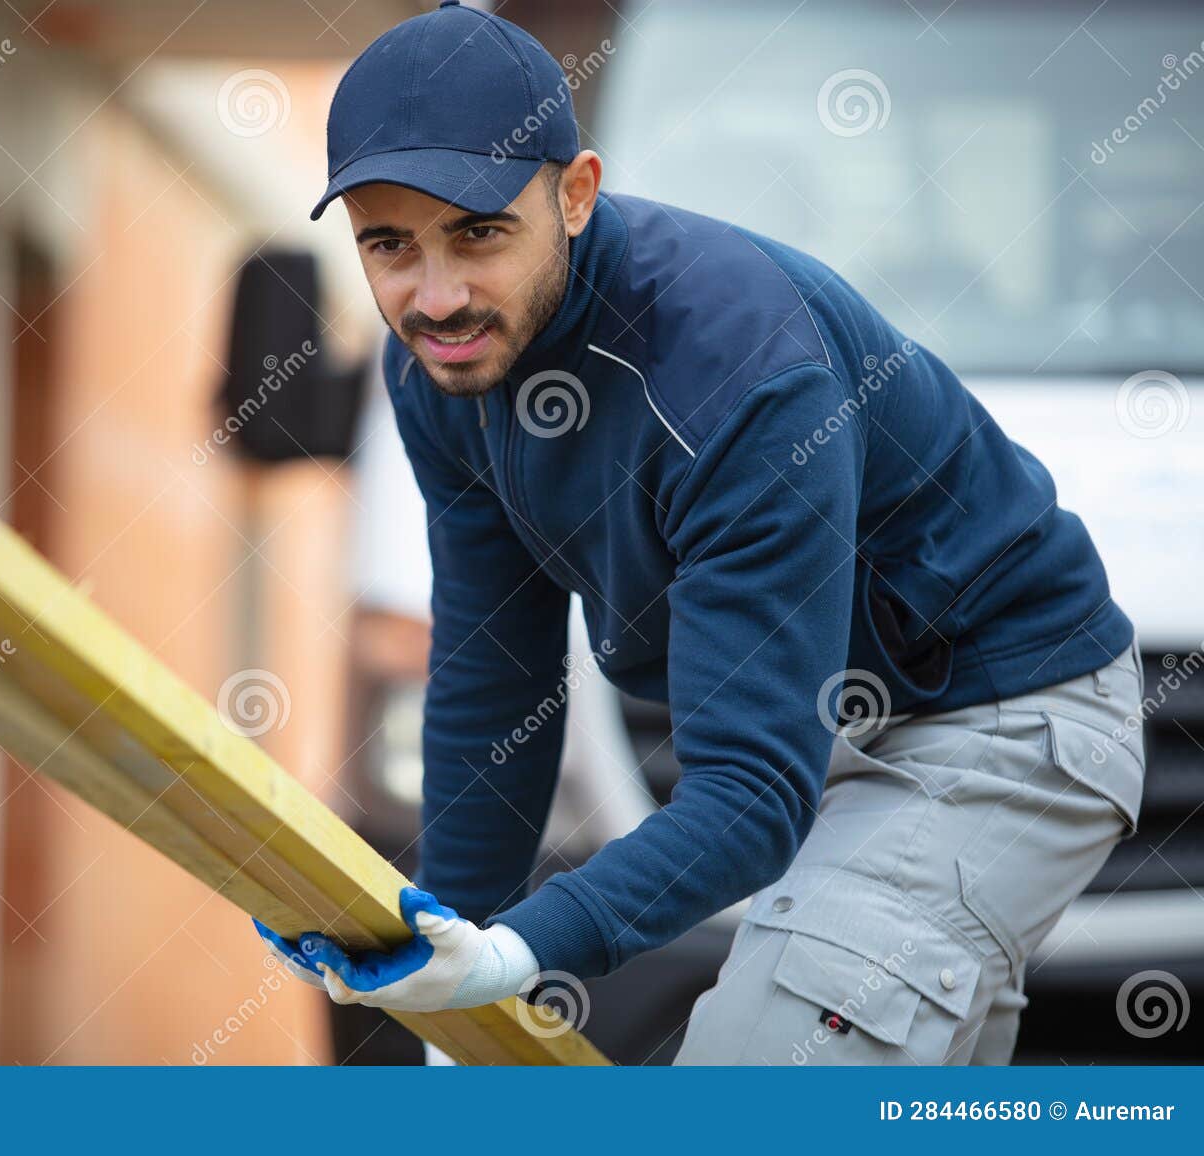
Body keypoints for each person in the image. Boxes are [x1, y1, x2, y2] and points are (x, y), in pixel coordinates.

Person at [255, 0, 1145, 1064]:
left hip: (1000, 719)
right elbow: (496, 676)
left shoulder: (738, 370)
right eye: (388, 245)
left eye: (479, 233)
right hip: (834, 745)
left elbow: (753, 791)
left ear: (575, 194)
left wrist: (518, 950)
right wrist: (453, 959)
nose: (435, 295)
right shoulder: (436, 368)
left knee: (750, 1075)